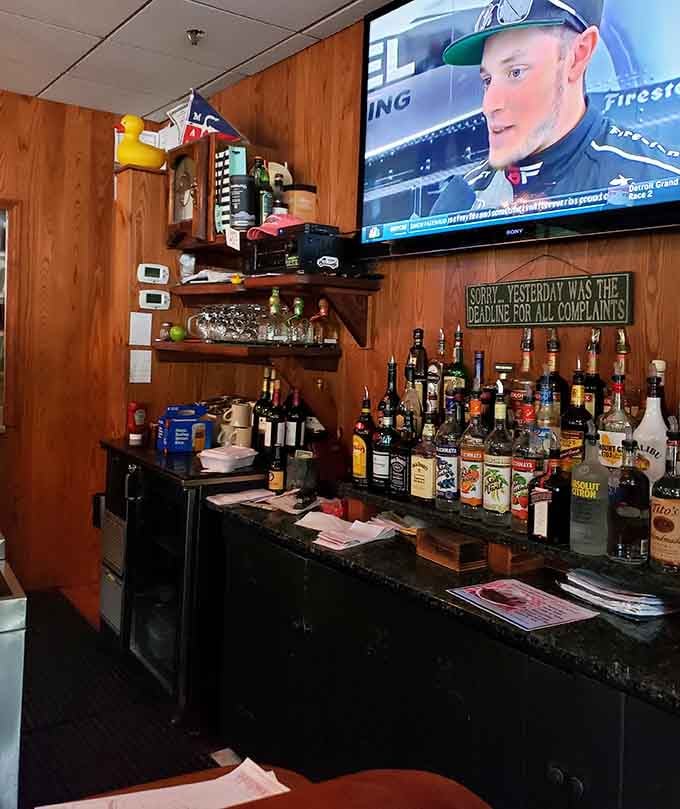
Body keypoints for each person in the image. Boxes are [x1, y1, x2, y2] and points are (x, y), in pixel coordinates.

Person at [431, 0, 680, 215]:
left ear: (578, 55)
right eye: (487, 80)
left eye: (515, 72)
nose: (489, 106)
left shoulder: (662, 179)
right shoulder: (461, 199)